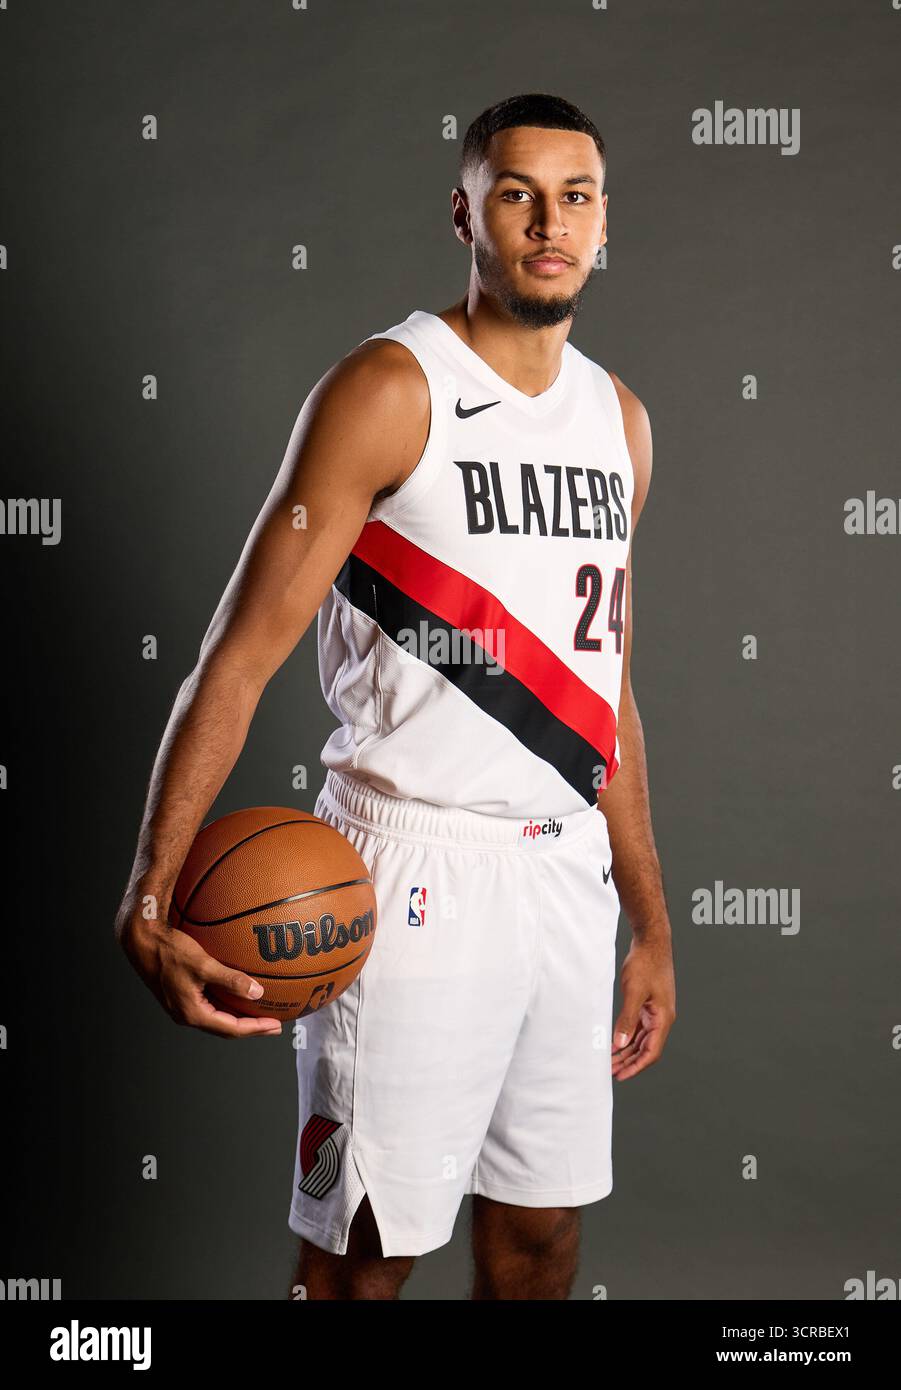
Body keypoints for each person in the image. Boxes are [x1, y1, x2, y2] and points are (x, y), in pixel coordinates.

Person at [115, 91, 676, 1301]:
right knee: (362, 1262)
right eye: (516, 191)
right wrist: (150, 893)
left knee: (540, 1247)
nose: (547, 221)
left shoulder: (618, 421)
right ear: (464, 210)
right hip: (413, 872)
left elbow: (607, 699)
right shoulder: (389, 387)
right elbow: (240, 654)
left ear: (602, 224)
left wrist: (650, 919)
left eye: (574, 196)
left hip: (563, 876)